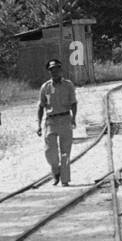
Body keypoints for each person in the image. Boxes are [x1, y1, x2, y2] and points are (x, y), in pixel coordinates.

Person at [36, 58, 77, 186]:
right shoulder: (45, 87)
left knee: (65, 152)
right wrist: (38, 125)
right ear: (49, 72)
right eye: (51, 70)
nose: (54, 72)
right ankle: (56, 171)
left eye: (57, 69)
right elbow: (41, 106)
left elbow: (74, 103)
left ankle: (65, 180)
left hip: (65, 119)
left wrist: (73, 118)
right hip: (51, 122)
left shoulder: (68, 85)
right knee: (50, 152)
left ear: (61, 69)